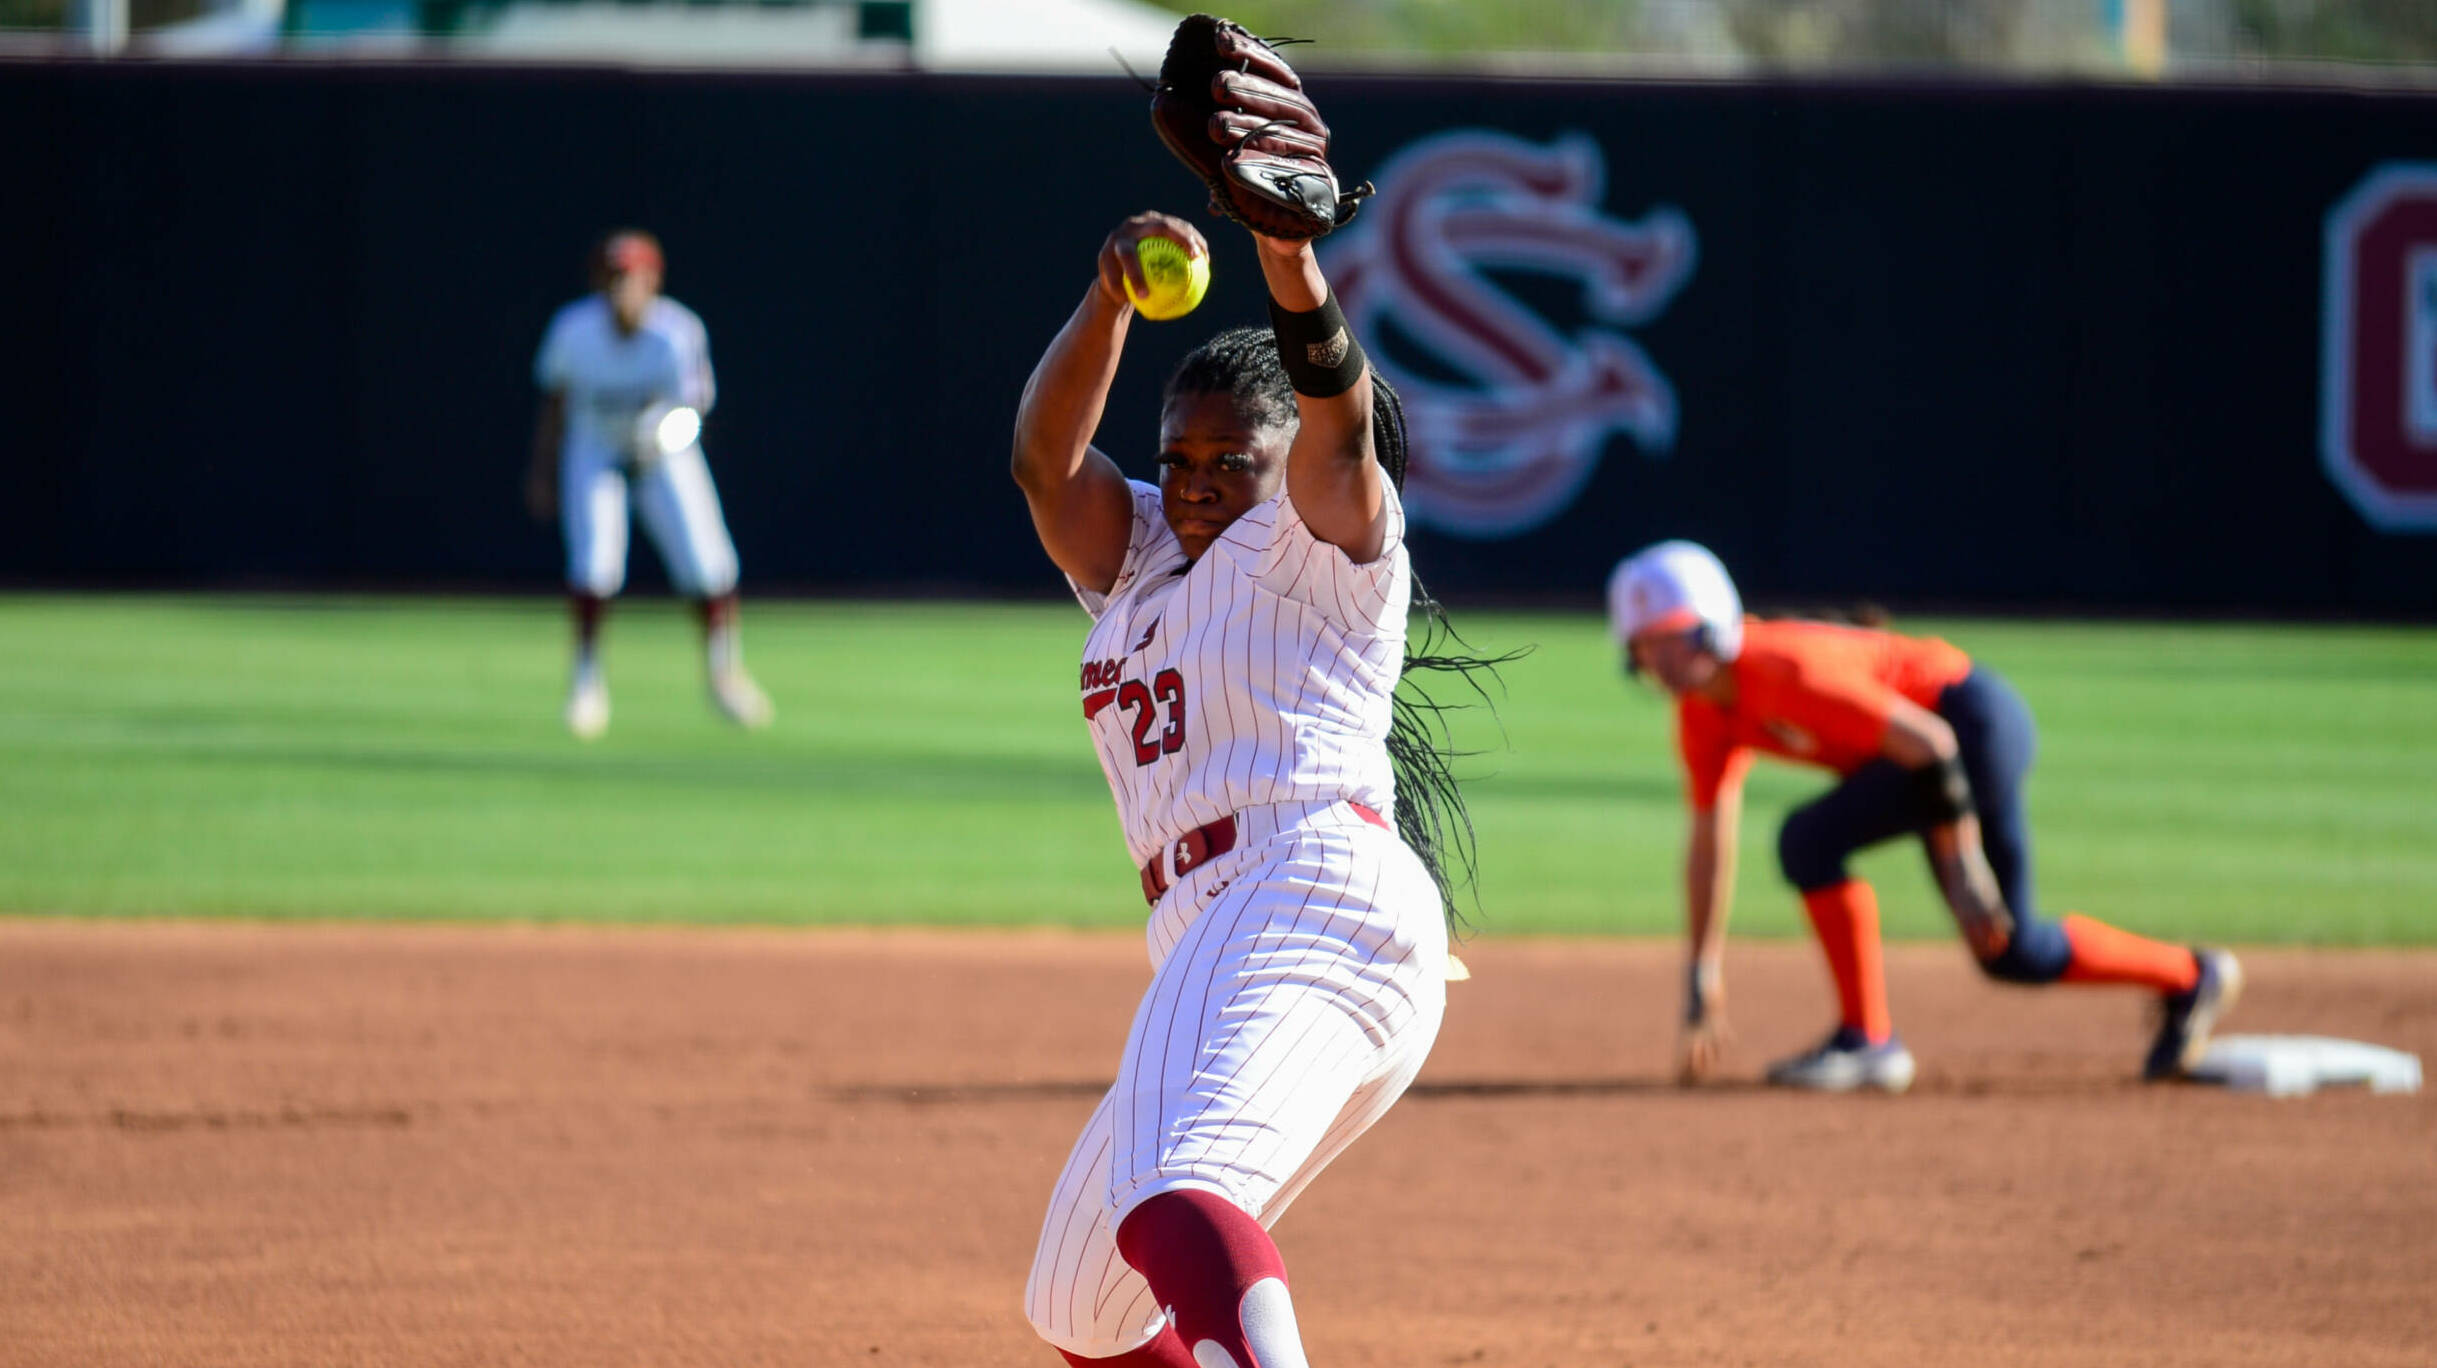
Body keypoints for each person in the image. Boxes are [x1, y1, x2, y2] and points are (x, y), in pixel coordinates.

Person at [1010, 203, 1495, 1368]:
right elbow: (1043, 464)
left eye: (1232, 460)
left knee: (1179, 1197)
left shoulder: (1316, 543)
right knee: (1079, 1303)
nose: (1194, 482)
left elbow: (1335, 418)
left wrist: (1289, 261)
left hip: (1303, 883)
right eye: (1178, 457)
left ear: (1286, 470)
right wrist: (1108, 295)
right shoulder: (1138, 559)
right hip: (1220, 924)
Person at [1607, 540, 2241, 1092]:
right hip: (1934, 756)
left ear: (1714, 625)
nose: (1658, 660)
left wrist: (1961, 865)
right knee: (2011, 951)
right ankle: (2193, 975)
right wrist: (1701, 969)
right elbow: (1709, 841)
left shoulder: (1783, 667)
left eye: (1671, 636)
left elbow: (1933, 744)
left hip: (1973, 726)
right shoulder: (1701, 716)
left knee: (1807, 840)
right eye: (1645, 645)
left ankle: (1868, 1041)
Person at [525, 229, 772, 740]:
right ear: (598, 281)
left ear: (652, 281)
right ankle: (586, 684)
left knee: (710, 564)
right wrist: (543, 468)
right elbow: (554, 401)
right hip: (595, 449)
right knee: (595, 565)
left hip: (664, 453)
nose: (622, 289)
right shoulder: (574, 330)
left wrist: (662, 437)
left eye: (631, 278)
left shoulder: (677, 332)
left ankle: (724, 675)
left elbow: (694, 408)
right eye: (612, 278)